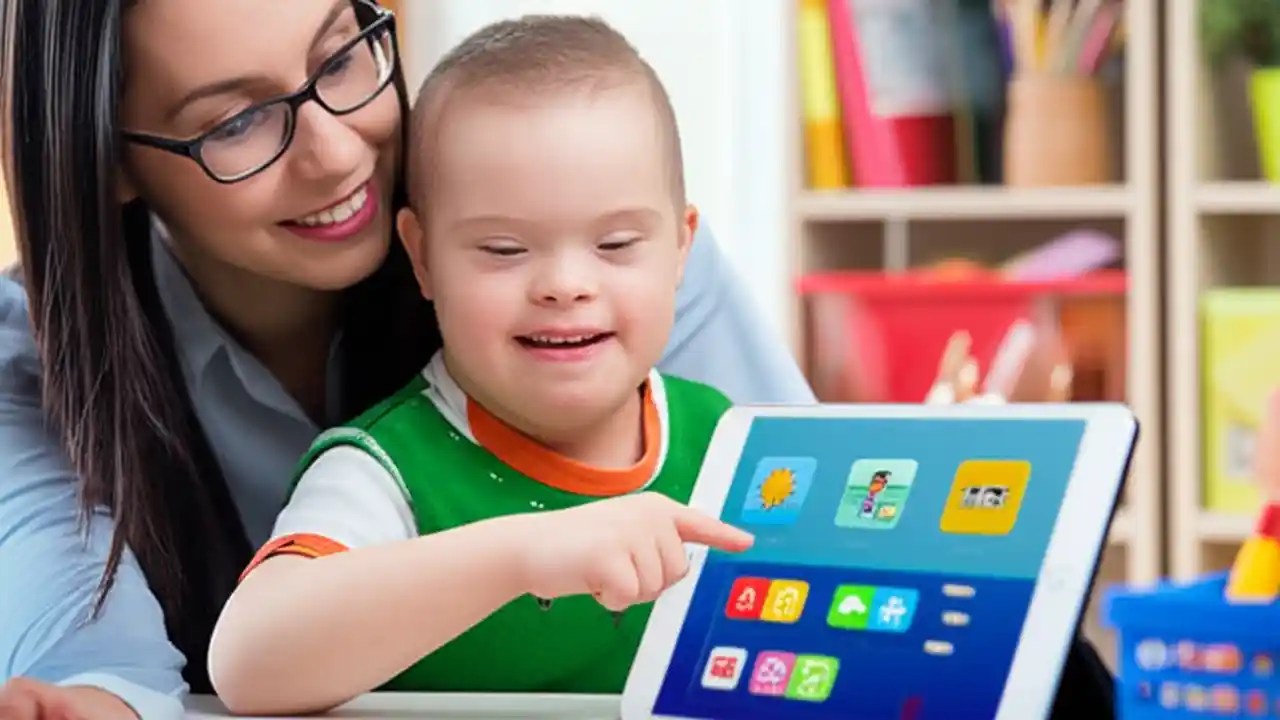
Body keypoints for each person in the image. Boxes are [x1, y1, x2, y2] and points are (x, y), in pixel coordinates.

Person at [0, 1, 1114, 719]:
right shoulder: (380, 461)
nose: (339, 151)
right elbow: (142, 666)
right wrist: (525, 551)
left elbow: (821, 567)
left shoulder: (608, 256)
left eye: (342, 55)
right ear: (108, 161)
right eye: (234, 122)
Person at [207, 16, 759, 714]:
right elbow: (247, 663)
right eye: (504, 250)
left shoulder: (728, 441)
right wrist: (524, 555)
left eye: (616, 244)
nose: (565, 285)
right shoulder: (385, 470)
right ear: (422, 257)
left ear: (681, 249)